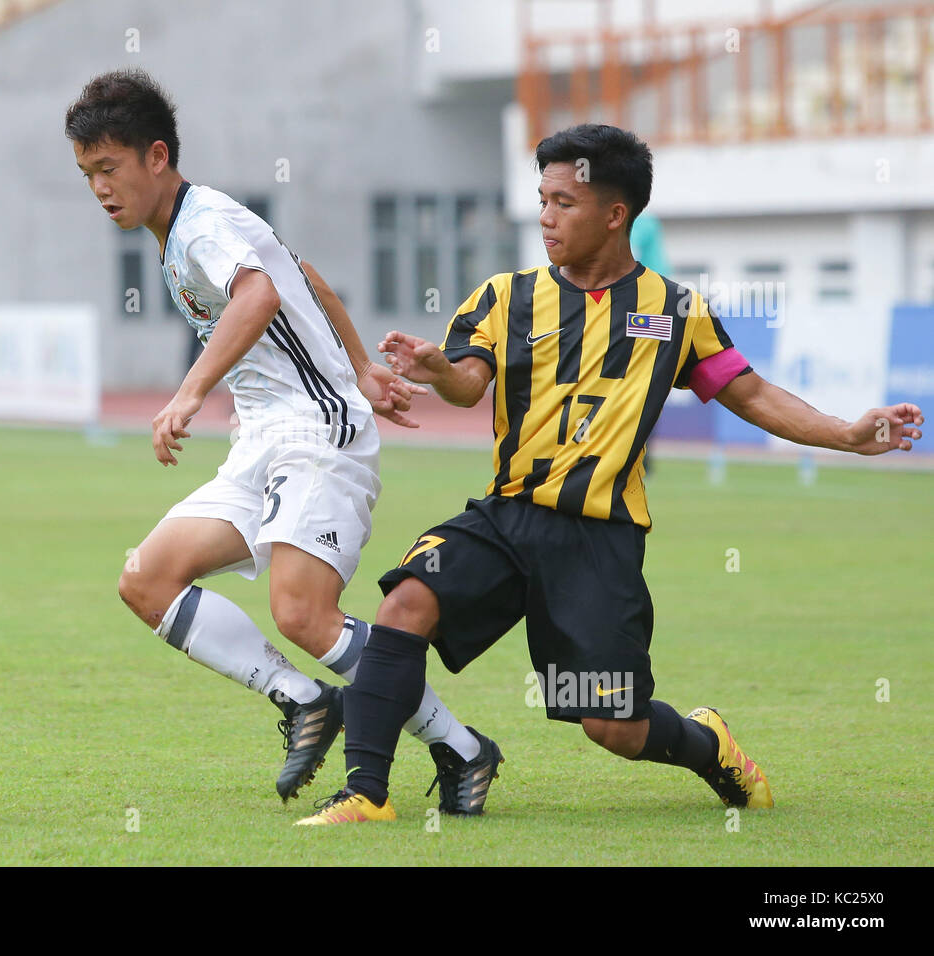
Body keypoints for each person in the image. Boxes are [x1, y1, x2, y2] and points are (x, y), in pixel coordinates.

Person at [297, 123, 924, 824]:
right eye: (542, 199)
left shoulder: (677, 311)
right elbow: (471, 384)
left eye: (564, 201)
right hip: (507, 515)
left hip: (599, 540)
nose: (545, 216)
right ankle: (367, 793)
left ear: (615, 213)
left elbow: (751, 394)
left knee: (612, 726)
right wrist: (440, 369)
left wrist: (845, 432)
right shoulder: (504, 297)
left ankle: (706, 743)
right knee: (405, 603)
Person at [65, 69, 503, 811]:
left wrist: (190, 391)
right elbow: (299, 273)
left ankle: (462, 749)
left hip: (315, 434)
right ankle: (304, 700)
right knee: (146, 579)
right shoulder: (186, 227)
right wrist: (361, 363)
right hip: (265, 439)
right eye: (87, 175)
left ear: (157, 157)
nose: (100, 188)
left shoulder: (201, 224)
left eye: (109, 168)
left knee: (303, 614)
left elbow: (262, 291)